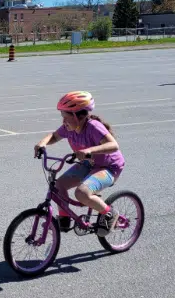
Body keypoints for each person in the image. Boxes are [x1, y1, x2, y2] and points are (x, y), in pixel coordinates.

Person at [34, 91, 125, 237]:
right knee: (58, 185)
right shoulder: (69, 128)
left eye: (66, 117)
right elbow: (54, 136)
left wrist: (89, 150)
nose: (63, 121)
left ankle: (109, 213)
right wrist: (42, 143)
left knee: (81, 193)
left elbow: (113, 145)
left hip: (109, 167)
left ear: (78, 116)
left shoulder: (93, 127)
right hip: (88, 164)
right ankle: (64, 220)